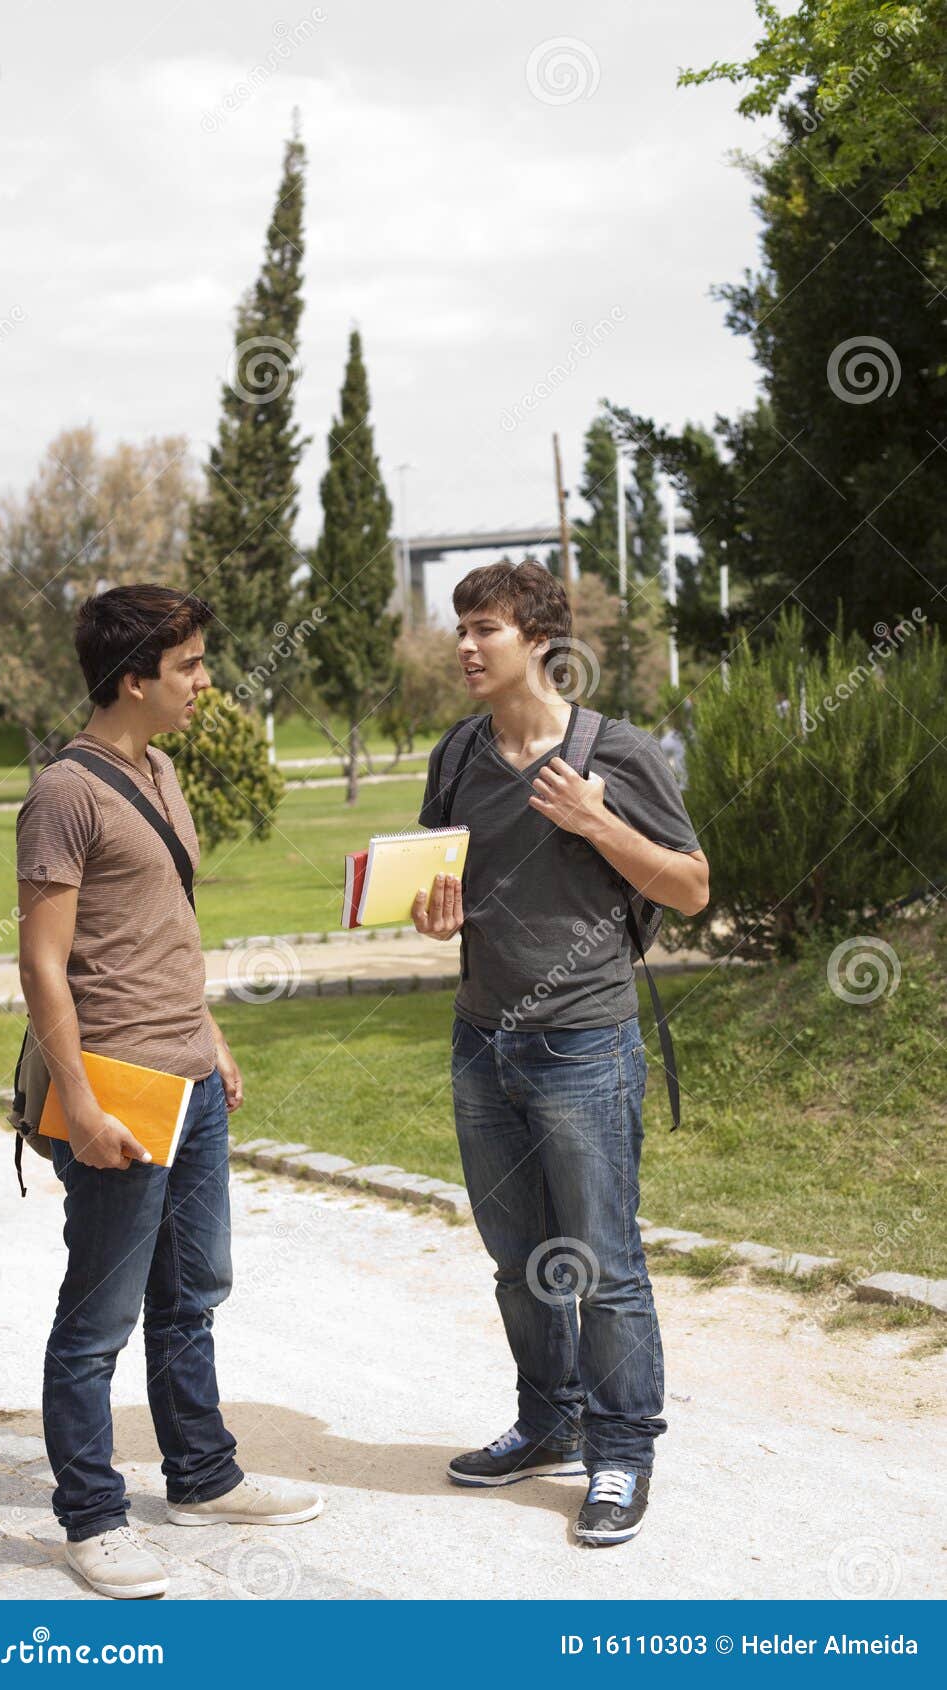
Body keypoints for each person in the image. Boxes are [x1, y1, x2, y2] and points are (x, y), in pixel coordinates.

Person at [16, 584, 322, 1600]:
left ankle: (200, 1475)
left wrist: (214, 1036)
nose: (205, 680)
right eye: (189, 664)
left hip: (188, 1076)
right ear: (133, 677)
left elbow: (159, 929)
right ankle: (92, 1517)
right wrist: (82, 1103)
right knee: (97, 1314)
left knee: (190, 1293)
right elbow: (45, 965)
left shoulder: (162, 770)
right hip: (116, 1089)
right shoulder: (66, 792)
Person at [413, 561, 708, 1547]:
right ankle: (550, 1422)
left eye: (483, 627)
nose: (463, 644)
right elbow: (436, 878)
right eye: (458, 626)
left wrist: (594, 818)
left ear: (539, 640)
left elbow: (690, 887)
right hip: (479, 1038)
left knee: (603, 1264)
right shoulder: (454, 753)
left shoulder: (609, 751)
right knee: (519, 1260)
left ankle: (621, 1453)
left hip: (583, 1042)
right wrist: (429, 907)